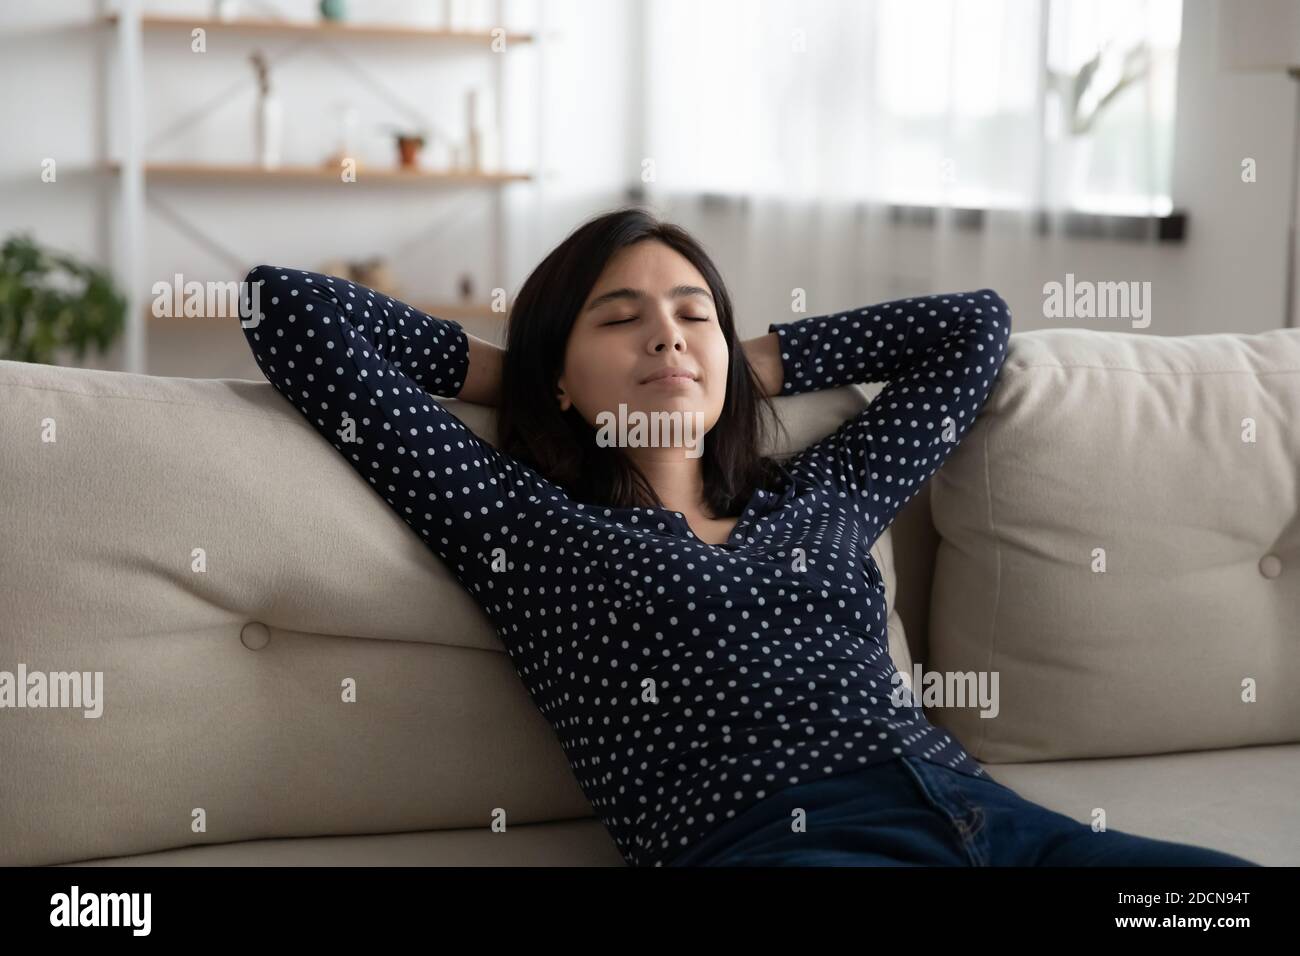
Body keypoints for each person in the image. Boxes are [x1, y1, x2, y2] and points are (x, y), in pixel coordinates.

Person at [238, 206, 1258, 868]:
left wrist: (746, 359)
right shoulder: (526, 523)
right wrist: (523, 376)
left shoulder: (825, 491)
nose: (667, 335)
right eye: (619, 318)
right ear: (559, 365)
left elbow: (974, 328)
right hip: (783, 841)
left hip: (998, 824)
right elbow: (284, 307)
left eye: (691, 315)